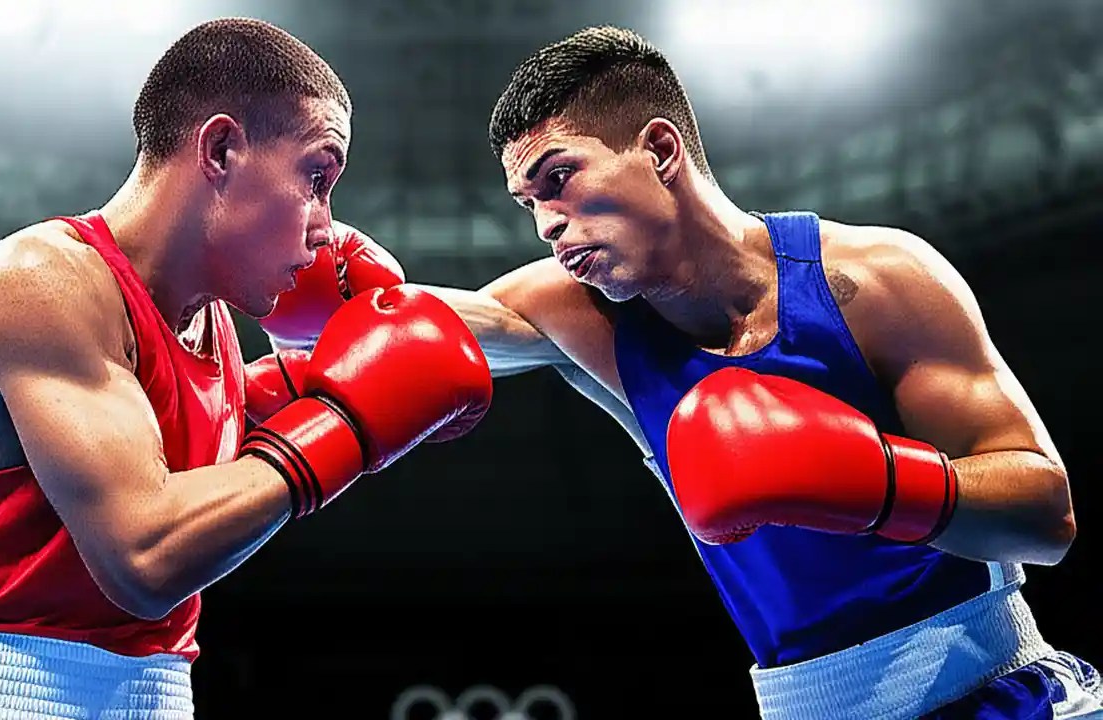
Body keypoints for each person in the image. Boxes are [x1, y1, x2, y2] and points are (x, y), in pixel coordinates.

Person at [262, 26, 1102, 720]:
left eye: (561, 179)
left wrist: (876, 483)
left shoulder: (877, 280)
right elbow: (401, 331)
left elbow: (1047, 516)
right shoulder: (576, 311)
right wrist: (288, 265)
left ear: (659, 148)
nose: (549, 225)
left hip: (995, 686)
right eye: (530, 204)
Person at [0, 18, 492, 720]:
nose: (327, 225)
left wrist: (360, 378)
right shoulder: (36, 283)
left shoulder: (213, 327)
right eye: (317, 176)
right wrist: (347, 422)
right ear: (221, 148)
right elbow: (144, 557)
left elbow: (187, 435)